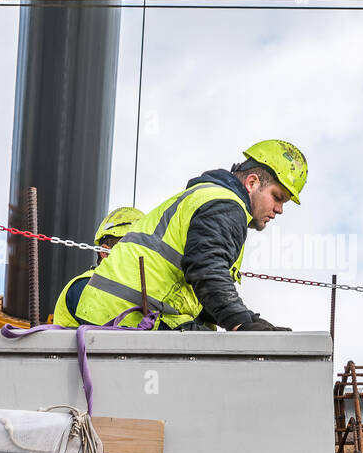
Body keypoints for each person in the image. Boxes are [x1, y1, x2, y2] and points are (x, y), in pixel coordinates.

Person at [64, 140, 307, 331]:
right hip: (128, 317)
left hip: (118, 313)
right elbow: (207, 271)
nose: (279, 210)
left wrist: (250, 319)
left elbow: (204, 287)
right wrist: (241, 323)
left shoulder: (208, 198)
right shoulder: (225, 204)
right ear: (253, 182)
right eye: (277, 197)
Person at [52, 206, 145, 327]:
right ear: (105, 252)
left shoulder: (134, 289)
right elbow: (119, 337)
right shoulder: (87, 286)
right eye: (133, 248)